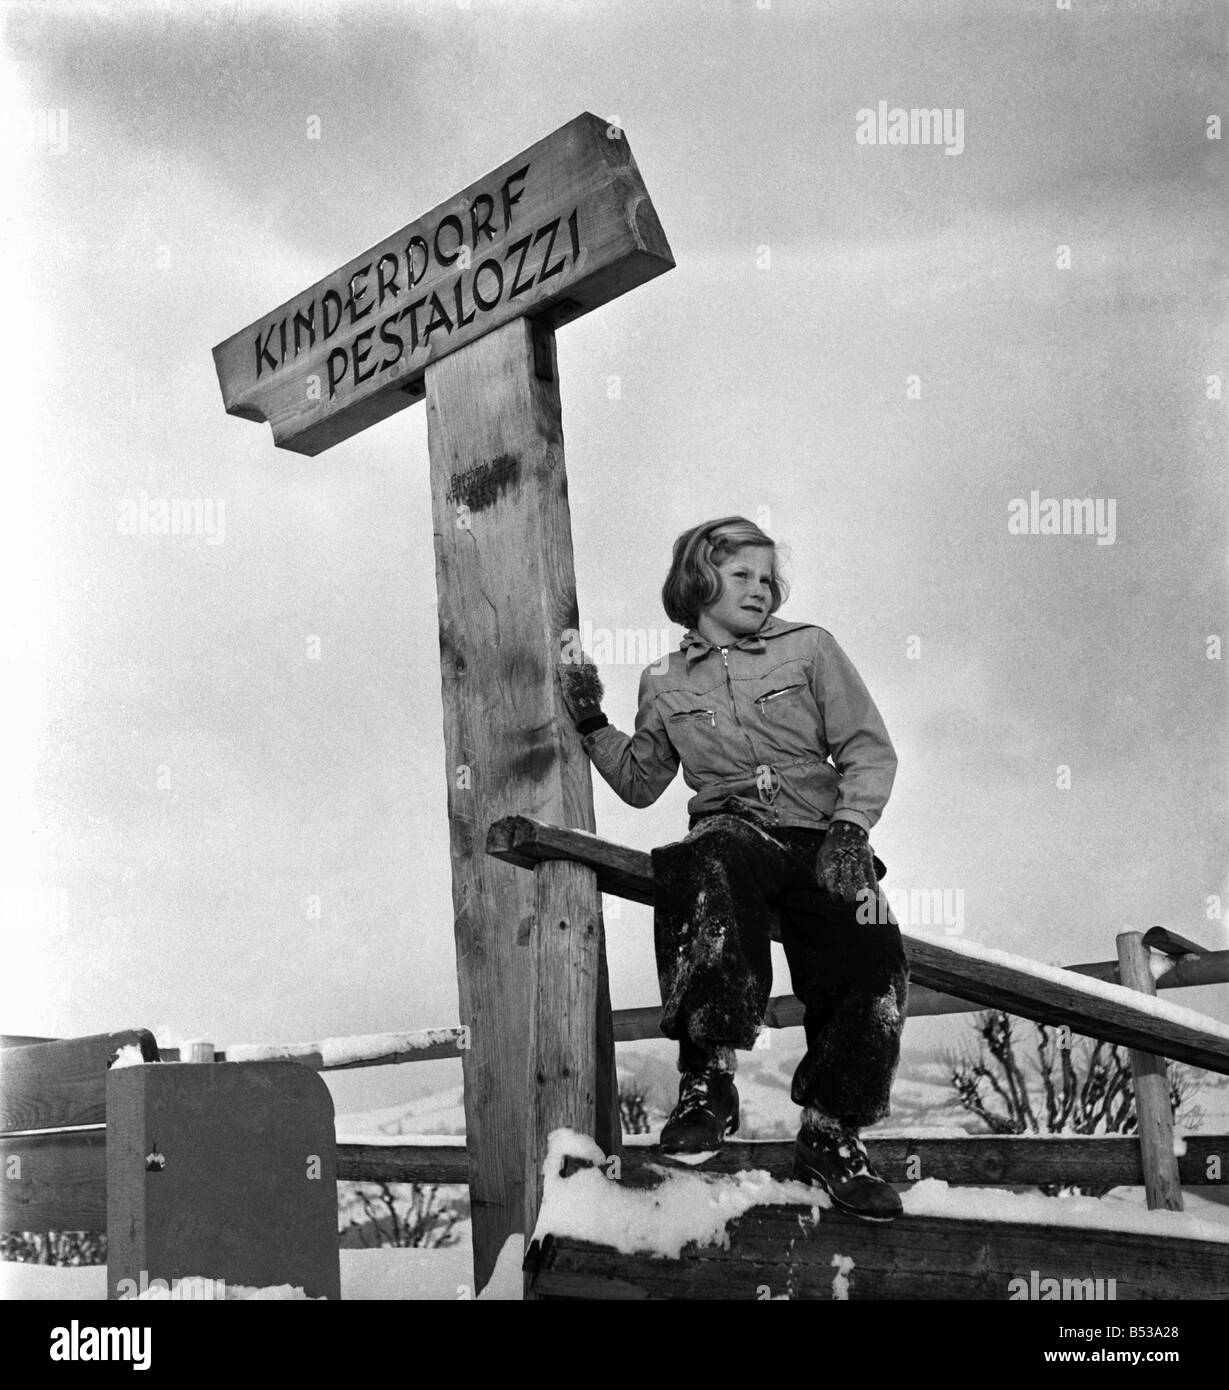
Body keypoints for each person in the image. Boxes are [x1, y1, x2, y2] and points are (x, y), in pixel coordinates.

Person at [558, 515, 909, 1221]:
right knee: (704, 857)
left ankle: (833, 1134)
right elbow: (641, 781)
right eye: (740, 575)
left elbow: (868, 749)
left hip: (822, 837)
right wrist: (592, 721)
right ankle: (708, 1078)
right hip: (735, 829)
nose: (760, 589)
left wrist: (849, 828)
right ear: (698, 580)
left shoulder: (810, 649)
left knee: (873, 953)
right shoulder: (661, 680)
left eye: (766, 577)